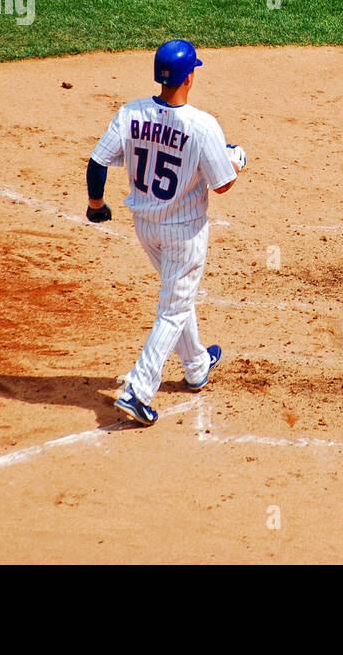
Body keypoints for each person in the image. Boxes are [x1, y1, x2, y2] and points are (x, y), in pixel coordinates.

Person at [86, 39, 246, 426]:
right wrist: (237, 160)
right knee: (172, 309)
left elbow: (97, 161)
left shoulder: (130, 113)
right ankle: (138, 391)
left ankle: (195, 365)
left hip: (146, 227)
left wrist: (95, 205)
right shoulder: (203, 125)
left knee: (178, 294)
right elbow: (222, 185)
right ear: (190, 76)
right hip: (184, 233)